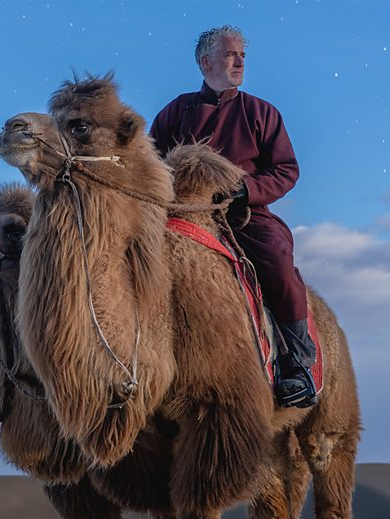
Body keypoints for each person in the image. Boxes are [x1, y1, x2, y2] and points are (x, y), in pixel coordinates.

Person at [150, 25, 317, 408]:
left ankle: (296, 363)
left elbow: (286, 169)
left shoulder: (261, 112)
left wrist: (245, 190)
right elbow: (150, 166)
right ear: (206, 62)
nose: (240, 61)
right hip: (181, 215)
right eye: (230, 54)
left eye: (242, 55)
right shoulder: (175, 112)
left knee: (277, 258)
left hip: (243, 215)